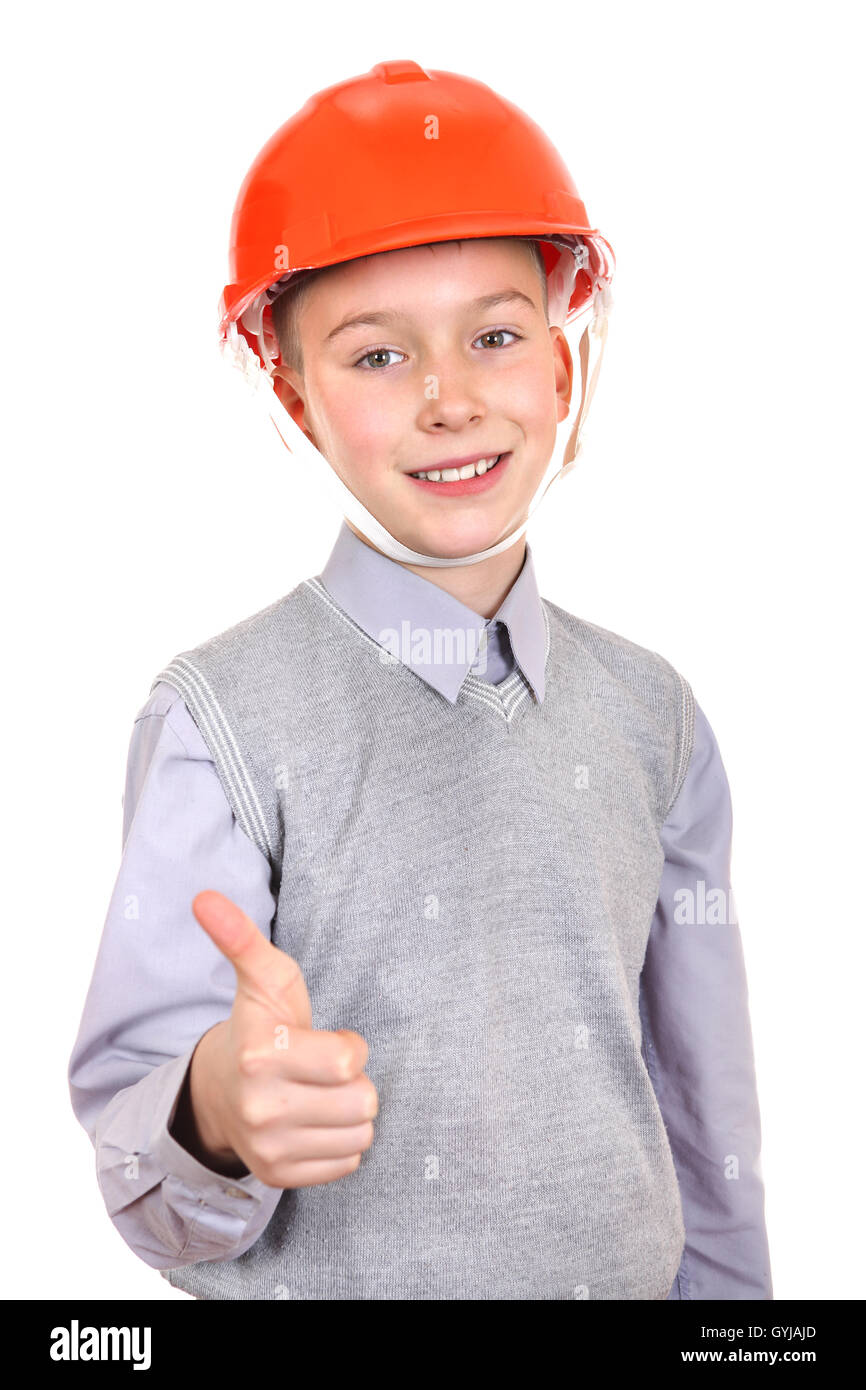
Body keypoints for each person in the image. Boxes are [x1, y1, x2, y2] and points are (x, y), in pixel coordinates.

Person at [68, 60, 772, 1300]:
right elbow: (145, 1153)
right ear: (295, 393)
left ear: (560, 367)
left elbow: (705, 1117)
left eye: (494, 336)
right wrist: (219, 1106)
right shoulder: (218, 721)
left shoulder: (653, 716)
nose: (450, 399)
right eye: (377, 357)